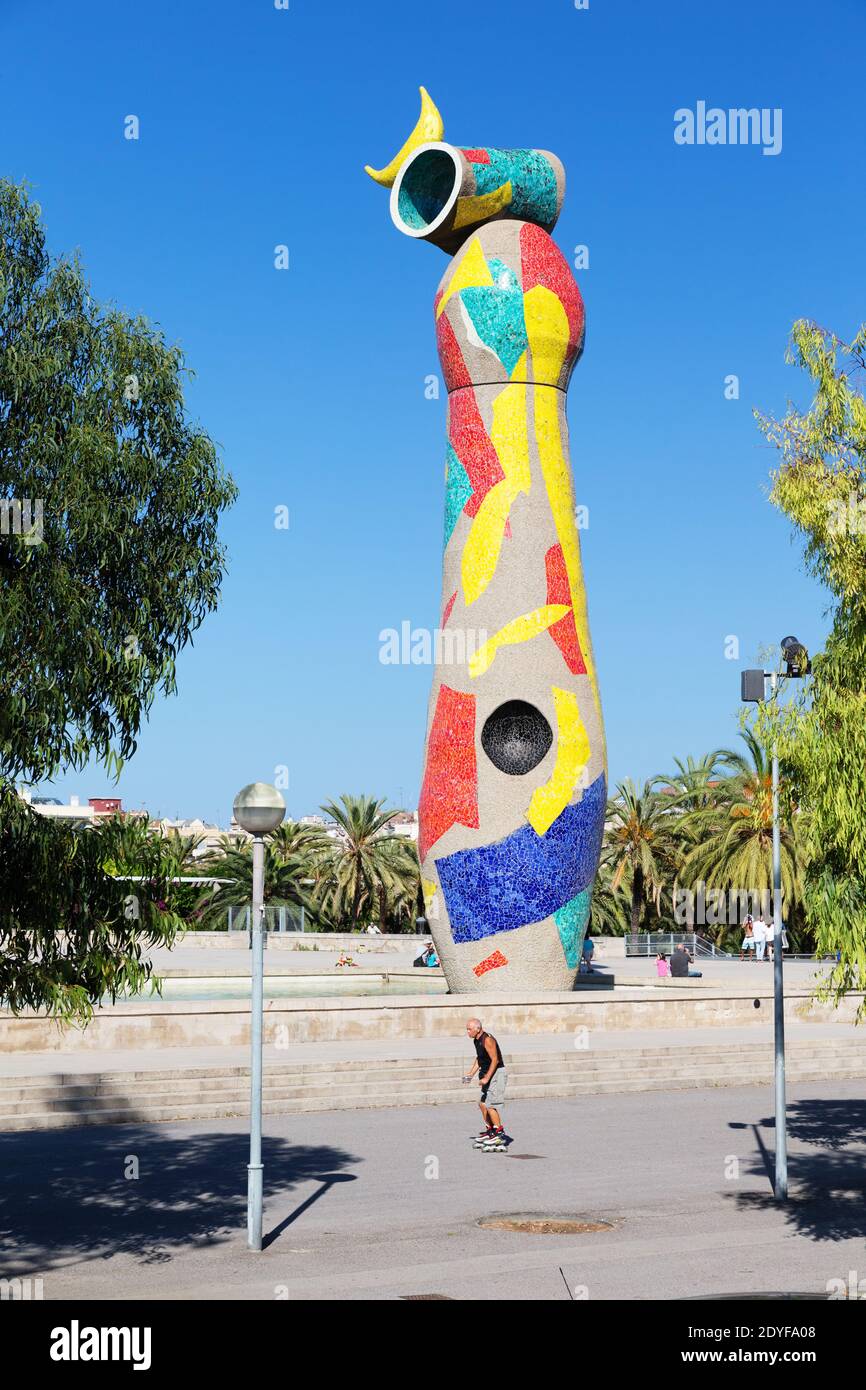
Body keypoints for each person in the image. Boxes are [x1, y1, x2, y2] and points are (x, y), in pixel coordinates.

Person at [464, 1018, 508, 1150]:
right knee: (482, 1104)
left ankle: (498, 1133)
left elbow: (495, 1060)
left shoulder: (487, 1039)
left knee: (490, 1105)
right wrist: (470, 1074)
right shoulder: (476, 1040)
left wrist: (487, 1078)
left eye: (469, 1029)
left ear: (478, 1028)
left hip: (496, 1073)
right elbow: (480, 1058)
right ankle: (490, 1130)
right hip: (487, 1073)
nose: (467, 1032)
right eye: (467, 1029)